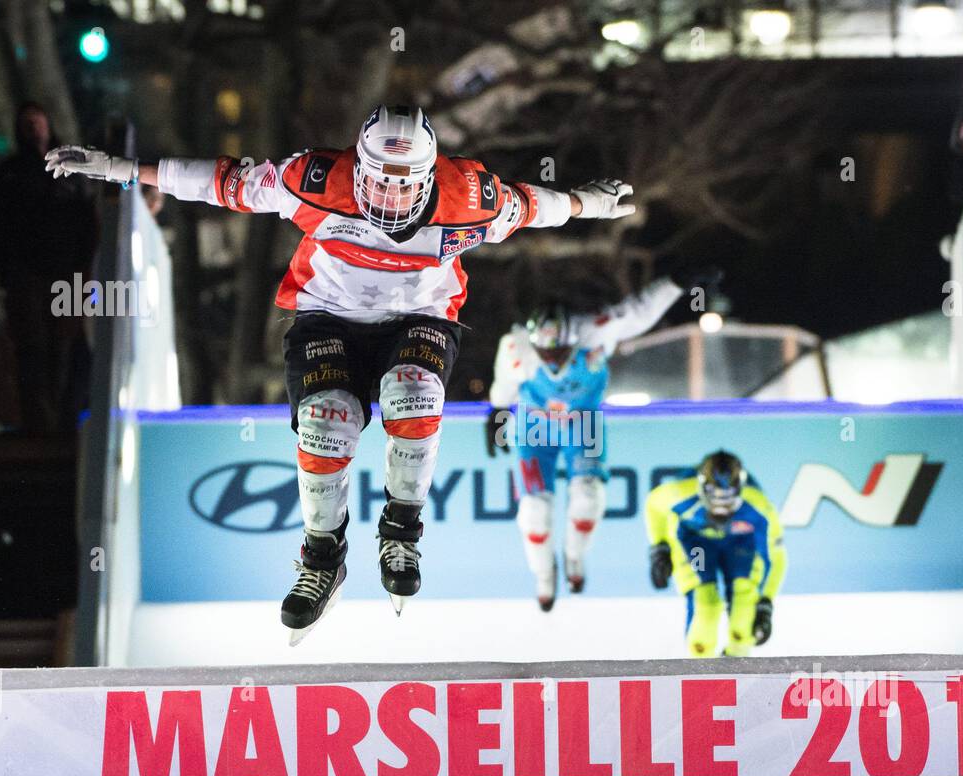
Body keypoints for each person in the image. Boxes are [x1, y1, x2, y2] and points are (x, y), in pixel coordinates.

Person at [45, 104, 635, 635]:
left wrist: (591, 202)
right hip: (328, 315)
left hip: (418, 317)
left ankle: (401, 533)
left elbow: (537, 206)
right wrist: (125, 170)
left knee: (413, 392)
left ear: (430, 178)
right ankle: (322, 558)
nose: (390, 202)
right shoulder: (315, 181)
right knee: (329, 424)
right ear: (357, 167)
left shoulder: (471, 197)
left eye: (404, 187)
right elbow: (225, 184)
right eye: (377, 182)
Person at [486, 267, 721, 609]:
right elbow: (503, 382)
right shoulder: (516, 346)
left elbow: (638, 313)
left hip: (584, 425)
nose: (552, 361)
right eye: (545, 353)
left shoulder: (593, 331)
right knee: (534, 509)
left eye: (560, 352)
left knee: (588, 497)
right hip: (535, 428)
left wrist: (675, 281)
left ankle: (575, 556)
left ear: (573, 338)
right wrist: (497, 411)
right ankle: (543, 573)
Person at [0, 102, 98, 432]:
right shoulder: (6, 176)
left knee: (66, 347)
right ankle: (39, 424)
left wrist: (84, 267)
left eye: (38, 122)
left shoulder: (71, 174)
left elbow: (89, 222)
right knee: (32, 348)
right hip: (26, 275)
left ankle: (64, 421)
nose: (34, 129)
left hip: (69, 275)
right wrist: (10, 263)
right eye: (27, 123)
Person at [645, 450, 786, 658]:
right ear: (701, 488)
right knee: (706, 602)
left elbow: (775, 558)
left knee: (745, 605)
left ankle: (738, 663)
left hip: (740, 545)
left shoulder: (760, 506)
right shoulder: (681, 492)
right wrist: (660, 547)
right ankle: (701, 669)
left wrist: (765, 602)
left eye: (728, 499)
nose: (721, 507)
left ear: (740, 489)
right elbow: (654, 506)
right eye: (715, 497)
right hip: (698, 544)